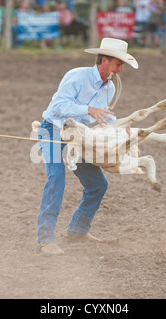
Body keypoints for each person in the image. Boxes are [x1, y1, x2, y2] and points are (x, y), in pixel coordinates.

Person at [36, 37, 138, 255]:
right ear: (104, 60)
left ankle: (78, 231)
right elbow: (57, 107)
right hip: (52, 129)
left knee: (98, 185)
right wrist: (87, 109)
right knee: (56, 178)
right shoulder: (76, 76)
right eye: (118, 64)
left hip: (80, 137)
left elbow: (104, 116)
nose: (120, 70)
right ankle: (46, 239)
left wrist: (121, 127)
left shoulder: (109, 87)